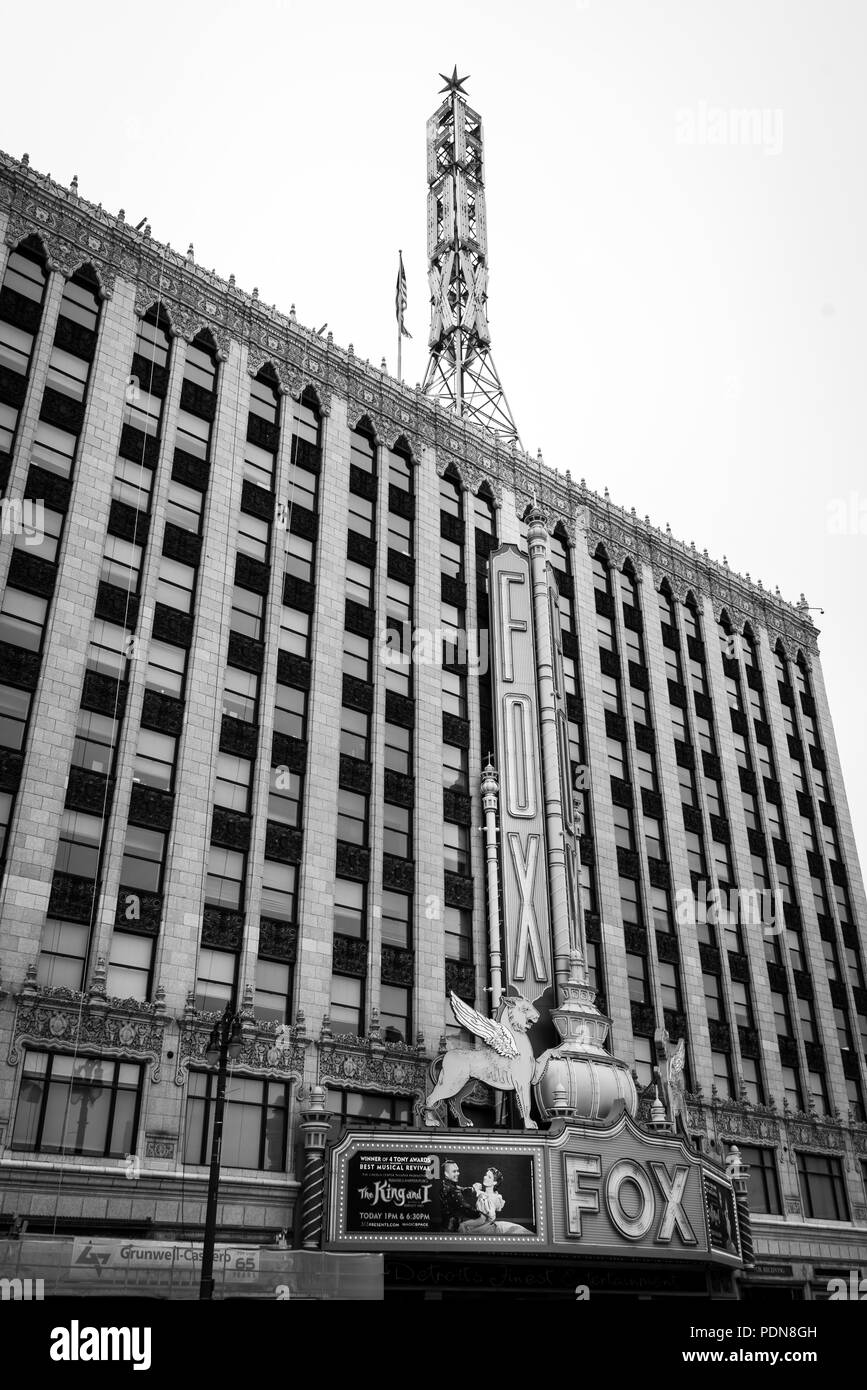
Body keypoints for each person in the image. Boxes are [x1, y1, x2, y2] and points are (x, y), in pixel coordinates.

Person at [458, 1167, 531, 1235]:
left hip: (484, 1227)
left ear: (494, 1183)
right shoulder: (487, 1195)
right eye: (486, 1175)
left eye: (489, 1177)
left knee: (462, 1226)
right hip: (482, 1224)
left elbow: (485, 1218)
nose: (485, 1177)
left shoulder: (490, 1197)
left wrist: (477, 1191)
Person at [439, 1160, 479, 1232]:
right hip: (452, 1230)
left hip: (446, 1226)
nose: (458, 1173)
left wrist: (473, 1189)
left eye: (458, 1171)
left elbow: (461, 1190)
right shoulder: (451, 1189)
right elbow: (464, 1208)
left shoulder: (446, 1184)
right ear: (446, 1174)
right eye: (454, 1171)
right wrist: (480, 1214)